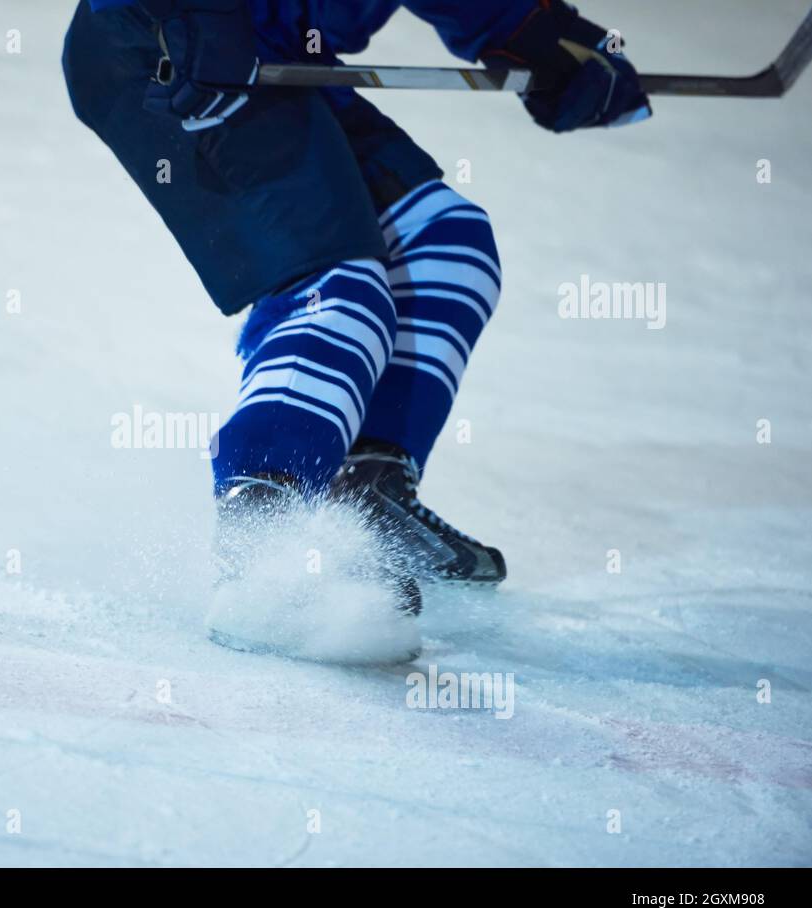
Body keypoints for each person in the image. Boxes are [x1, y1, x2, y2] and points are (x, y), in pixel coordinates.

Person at [62, 0, 650, 599]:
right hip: (166, 47)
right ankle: (265, 527)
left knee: (444, 246)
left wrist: (540, 38)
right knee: (335, 282)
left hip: (267, 52)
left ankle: (364, 498)